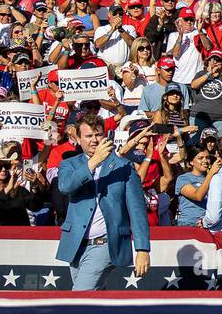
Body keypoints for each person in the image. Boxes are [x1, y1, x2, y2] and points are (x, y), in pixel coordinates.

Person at [55, 114, 151, 291]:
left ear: (105, 135)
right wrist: (93, 163)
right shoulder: (68, 164)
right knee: (92, 302)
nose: (94, 140)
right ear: (77, 138)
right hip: (76, 245)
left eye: (98, 135)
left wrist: (142, 249)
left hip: (106, 243)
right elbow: (65, 186)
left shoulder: (124, 166)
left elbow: (137, 210)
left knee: (79, 297)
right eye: (88, 136)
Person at [189, 51, 222, 137]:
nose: (215, 62)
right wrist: (209, 73)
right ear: (207, 62)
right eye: (212, 59)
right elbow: (194, 85)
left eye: (218, 60)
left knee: (220, 145)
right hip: (200, 117)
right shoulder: (201, 74)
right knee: (197, 144)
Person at [173, 147, 220, 227]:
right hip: (189, 224)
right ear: (191, 162)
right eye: (200, 158)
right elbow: (197, 196)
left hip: (208, 224)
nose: (205, 161)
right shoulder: (183, 178)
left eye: (207, 158)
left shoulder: (214, 178)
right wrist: (211, 173)